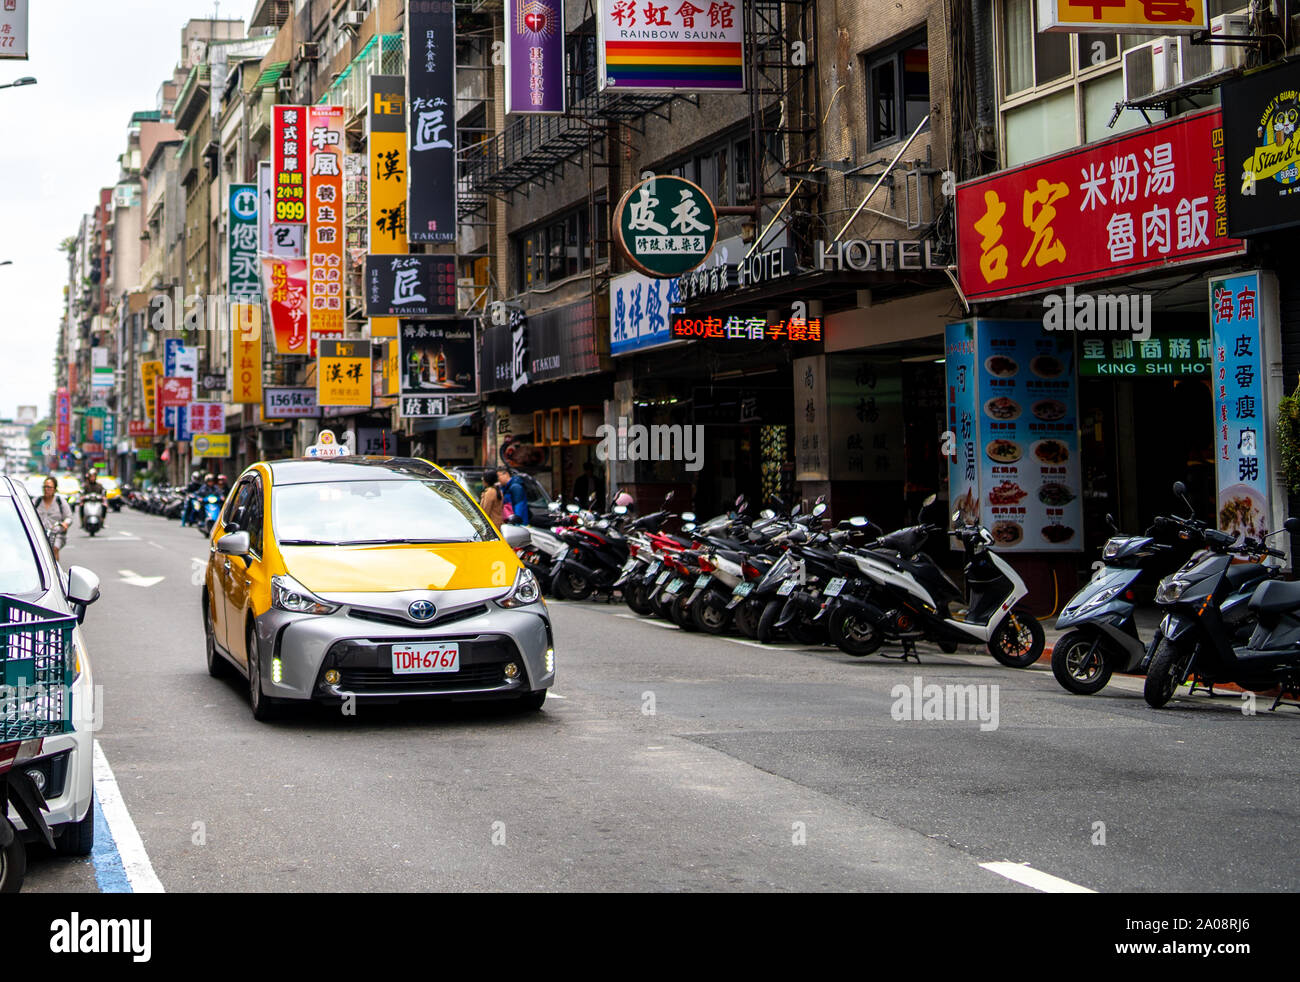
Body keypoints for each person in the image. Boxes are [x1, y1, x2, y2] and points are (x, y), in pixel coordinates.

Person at [34, 476, 73, 562]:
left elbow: (69, 517)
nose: (46, 489)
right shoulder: (36, 501)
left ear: (55, 489)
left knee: (54, 548)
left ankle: (55, 571)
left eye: (49, 487)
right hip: (39, 534)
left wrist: (65, 523)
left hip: (56, 534)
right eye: (45, 487)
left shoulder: (60, 501)